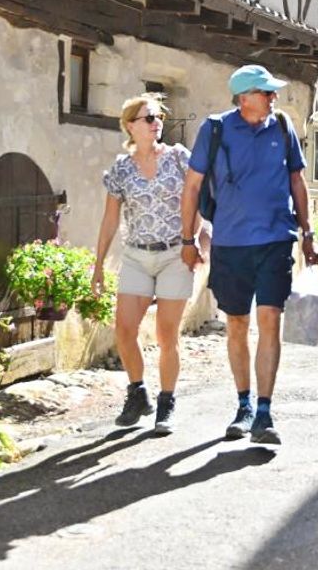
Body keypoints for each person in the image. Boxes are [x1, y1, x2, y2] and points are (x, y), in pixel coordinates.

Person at [180, 65, 318, 445]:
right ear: (244, 98)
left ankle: (264, 411)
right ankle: (242, 404)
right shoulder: (216, 129)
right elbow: (192, 187)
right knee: (237, 325)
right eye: (266, 92)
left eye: (274, 92)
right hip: (230, 243)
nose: (274, 97)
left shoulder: (283, 126)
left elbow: (297, 179)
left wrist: (308, 233)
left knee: (270, 318)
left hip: (276, 239)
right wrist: (188, 239)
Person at [94, 93, 206, 435]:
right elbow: (110, 220)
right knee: (124, 330)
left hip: (175, 253)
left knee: (166, 334)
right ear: (130, 125)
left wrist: (192, 241)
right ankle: (137, 392)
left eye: (158, 117)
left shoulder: (178, 158)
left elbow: (196, 201)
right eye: (148, 118)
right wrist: (98, 265)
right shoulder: (121, 169)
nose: (156, 122)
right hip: (137, 256)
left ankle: (167, 401)